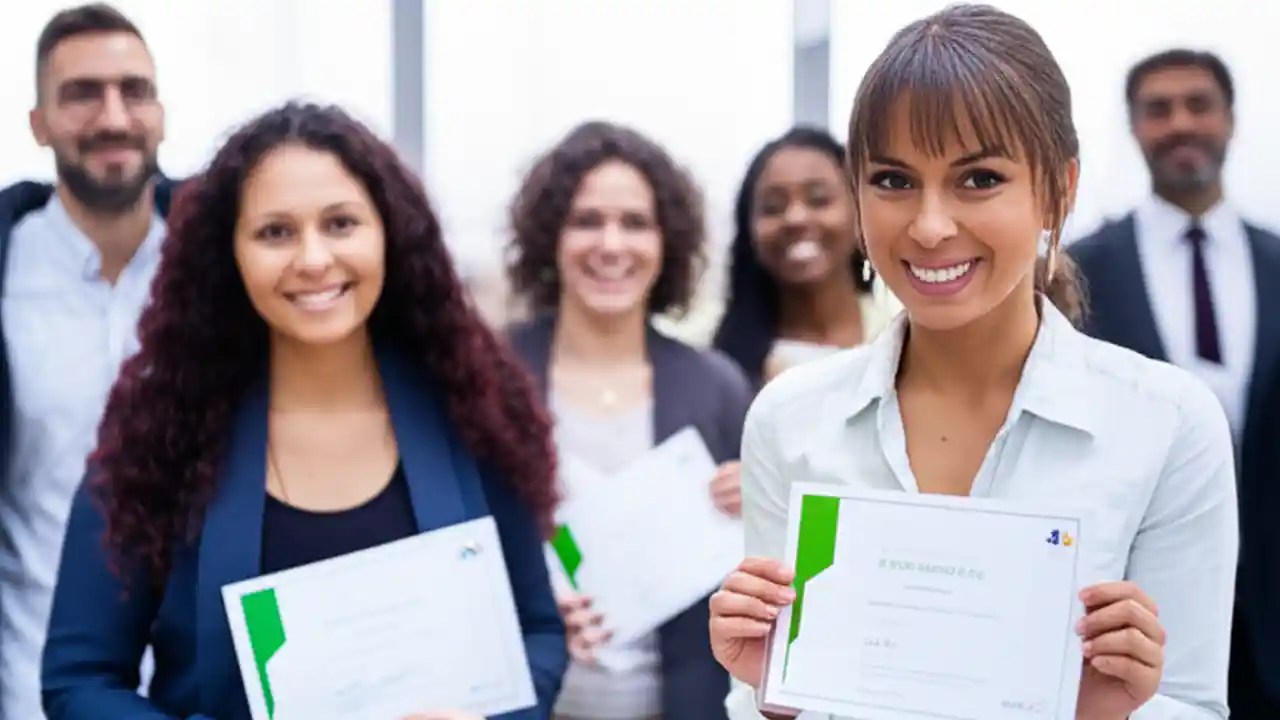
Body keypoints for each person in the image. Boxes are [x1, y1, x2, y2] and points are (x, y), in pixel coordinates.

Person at [709, 5, 1237, 720]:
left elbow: (1196, 705)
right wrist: (769, 696)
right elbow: (768, 698)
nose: (929, 226)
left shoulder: (1166, 423)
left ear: (1059, 187)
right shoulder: (790, 418)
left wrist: (1116, 710)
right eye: (893, 180)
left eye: (979, 178)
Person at [40, 102, 567, 719]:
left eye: (341, 223)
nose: (314, 259)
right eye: (275, 232)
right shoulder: (158, 439)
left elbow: (537, 632)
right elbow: (80, 680)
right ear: (228, 255)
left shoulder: (475, 414)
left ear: (390, 233)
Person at [504, 121, 751, 720]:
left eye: (635, 223)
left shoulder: (716, 387)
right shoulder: (493, 374)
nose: (611, 244)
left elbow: (766, 575)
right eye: (587, 220)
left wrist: (760, 505)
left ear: (667, 241)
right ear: (550, 237)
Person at [1066, 49, 1280, 717]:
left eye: (1198, 104)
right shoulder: (1081, 272)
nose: (1181, 123)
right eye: (1159, 110)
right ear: (1134, 128)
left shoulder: (1278, 262)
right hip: (1139, 612)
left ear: (1231, 120)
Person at [0, 5, 175, 717]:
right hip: (28, 683)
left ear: (160, 112)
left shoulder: (228, 271)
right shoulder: (8, 269)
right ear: (39, 122)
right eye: (82, 94)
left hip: (207, 687)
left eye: (134, 91)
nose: (113, 116)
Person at [711, 127, 900, 388]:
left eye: (818, 200)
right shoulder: (713, 364)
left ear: (861, 214)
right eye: (772, 207)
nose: (795, 218)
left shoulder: (908, 336)